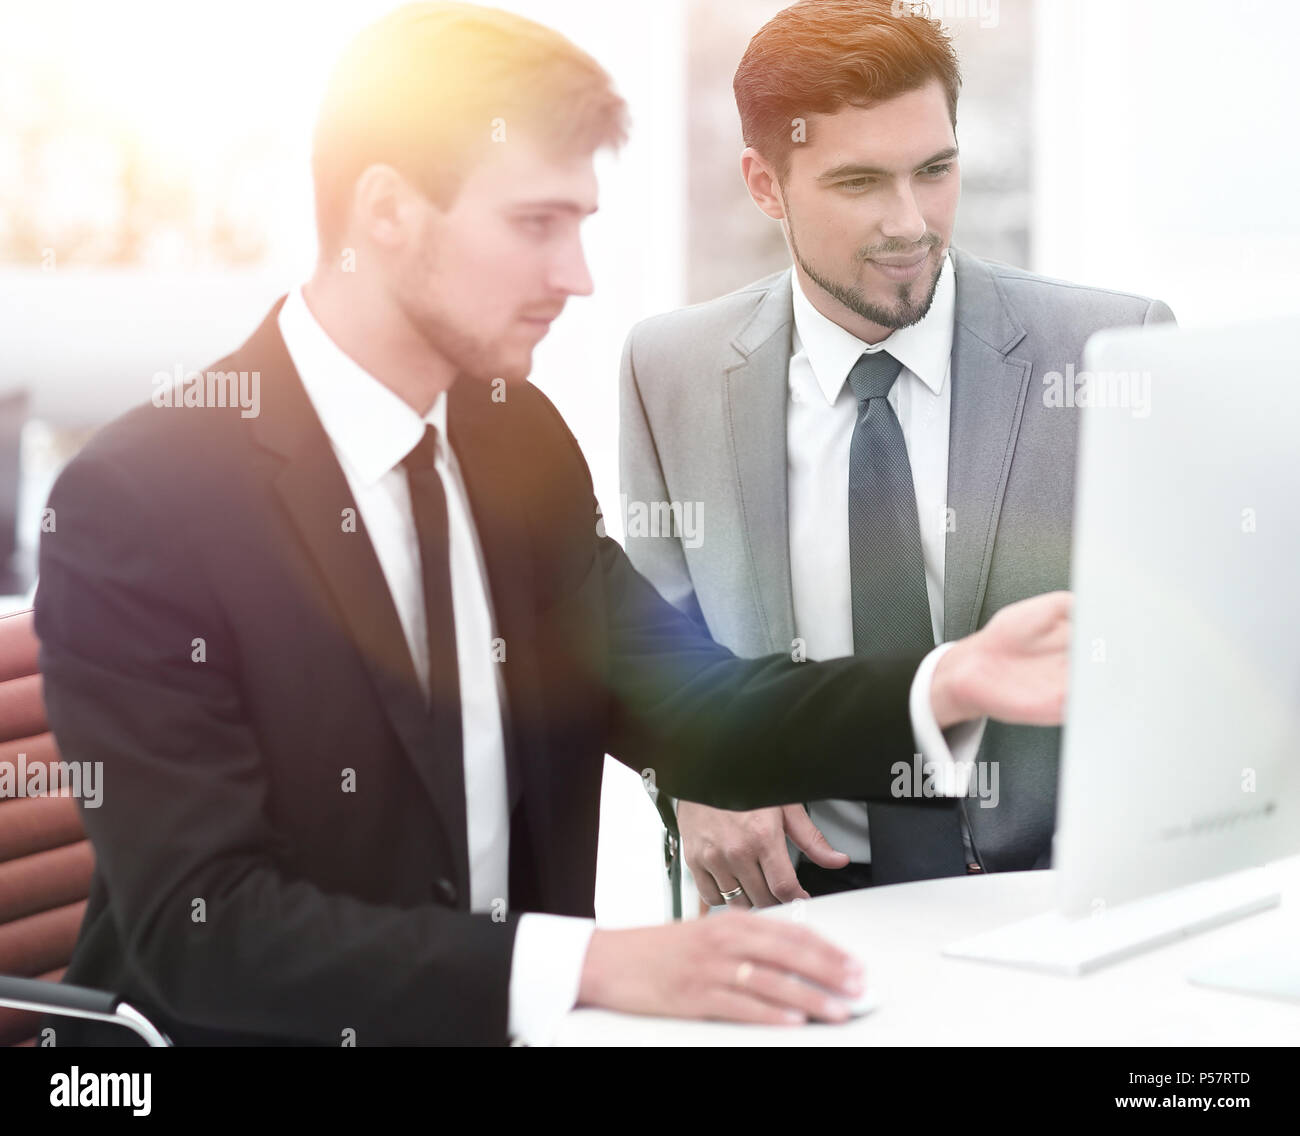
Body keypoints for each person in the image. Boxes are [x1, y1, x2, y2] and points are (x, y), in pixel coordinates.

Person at [34, 2, 1070, 1047]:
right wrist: (596, 962)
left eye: (580, 223)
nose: (576, 275)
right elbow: (206, 924)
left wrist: (949, 679)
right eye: (536, 223)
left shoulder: (508, 436)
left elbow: (693, 703)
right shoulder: (143, 499)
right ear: (387, 212)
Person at [620, 0, 1174, 906]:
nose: (910, 223)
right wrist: (686, 768)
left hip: (1046, 907)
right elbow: (648, 655)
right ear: (765, 186)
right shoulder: (666, 367)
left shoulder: (1112, 349)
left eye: (935, 170)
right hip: (785, 917)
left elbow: (1179, 667)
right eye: (859, 183)